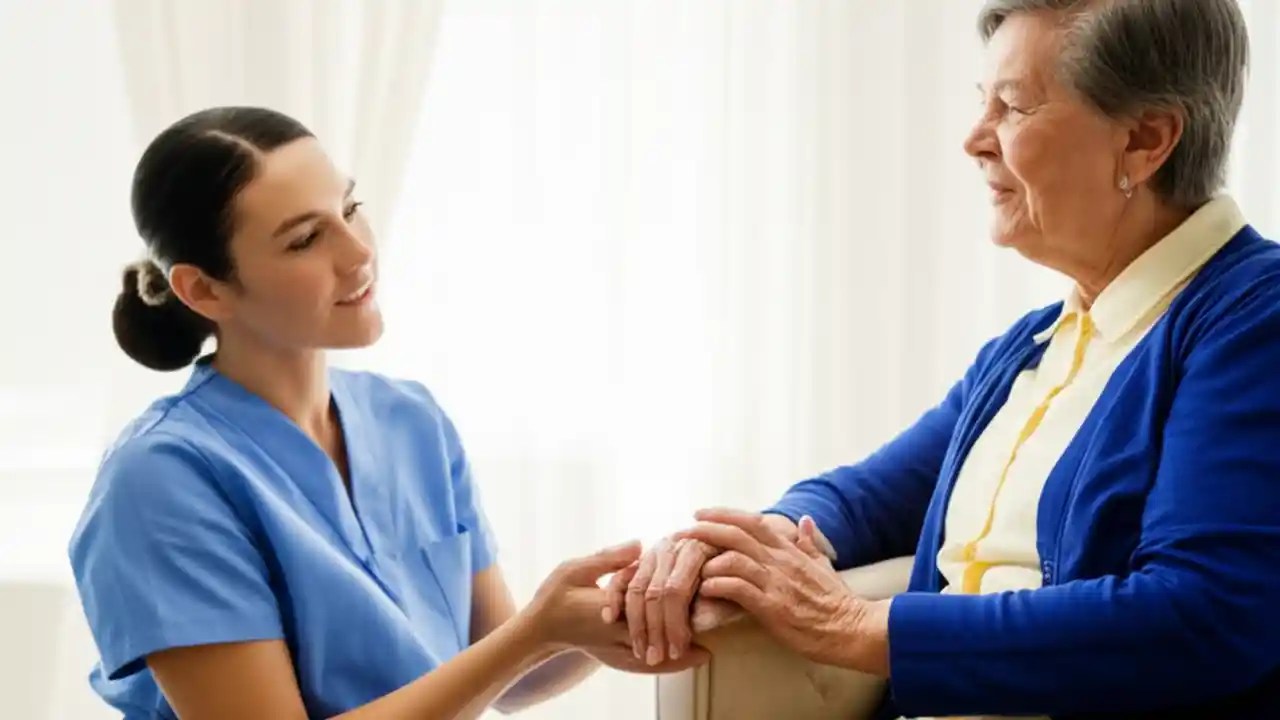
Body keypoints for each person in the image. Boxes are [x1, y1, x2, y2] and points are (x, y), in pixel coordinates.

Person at [608, 0, 1280, 717]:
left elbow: (1205, 616)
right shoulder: (1033, 347)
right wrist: (744, 545)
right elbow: (866, 498)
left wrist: (859, 627)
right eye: (980, 103)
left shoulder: (1251, 320)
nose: (974, 139)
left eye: (1014, 108)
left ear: (1145, 141)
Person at [67, 106, 706, 720]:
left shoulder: (412, 422)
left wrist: (632, 603)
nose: (358, 253)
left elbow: (511, 674)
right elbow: (511, 652)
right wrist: (534, 633)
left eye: (349, 209)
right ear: (204, 289)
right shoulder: (158, 481)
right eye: (306, 239)